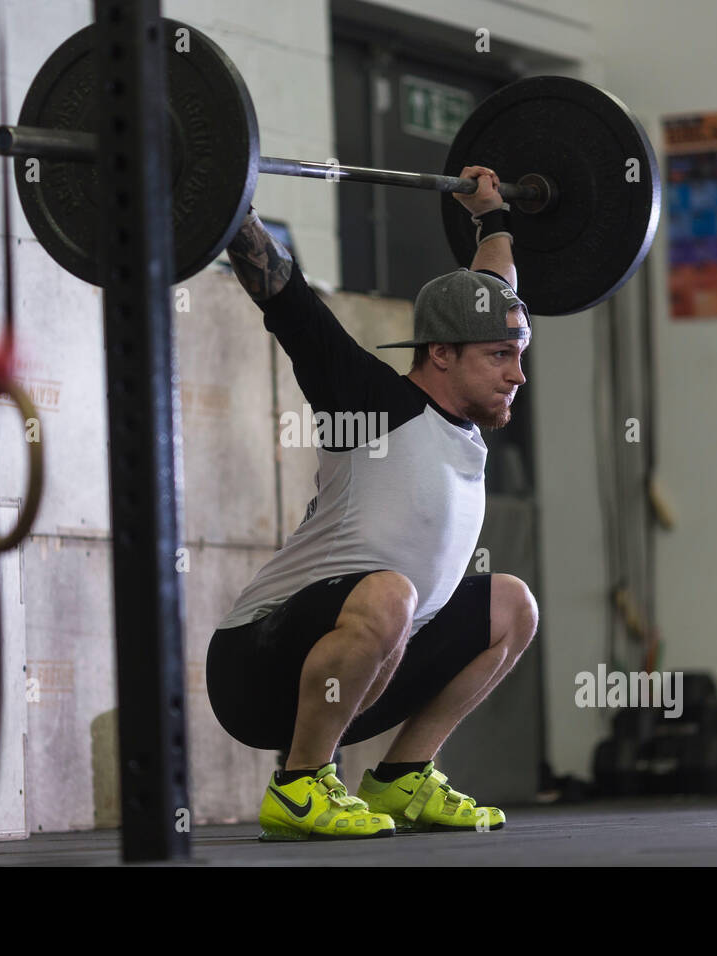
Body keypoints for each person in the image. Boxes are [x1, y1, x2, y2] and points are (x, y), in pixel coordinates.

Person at [206, 166, 540, 841]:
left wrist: (493, 218)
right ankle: (301, 785)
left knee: (511, 605)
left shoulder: (464, 420)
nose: (518, 373)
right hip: (258, 662)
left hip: (374, 659)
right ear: (441, 354)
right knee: (392, 592)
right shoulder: (371, 402)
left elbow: (495, 290)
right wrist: (225, 200)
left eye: (520, 353)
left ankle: (403, 777)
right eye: (501, 355)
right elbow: (286, 298)